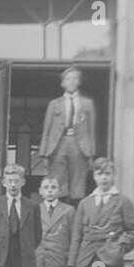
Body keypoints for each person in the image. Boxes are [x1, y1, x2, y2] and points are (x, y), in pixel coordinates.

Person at [38, 65, 96, 204]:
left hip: (78, 143)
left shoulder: (87, 104)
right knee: (58, 180)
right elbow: (47, 130)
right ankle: (60, 213)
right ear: (63, 83)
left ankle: (75, 214)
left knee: (78, 182)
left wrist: (90, 154)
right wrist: (44, 153)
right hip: (58, 144)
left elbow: (91, 131)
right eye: (68, 79)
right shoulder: (54, 104)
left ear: (79, 82)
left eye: (75, 78)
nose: (71, 81)